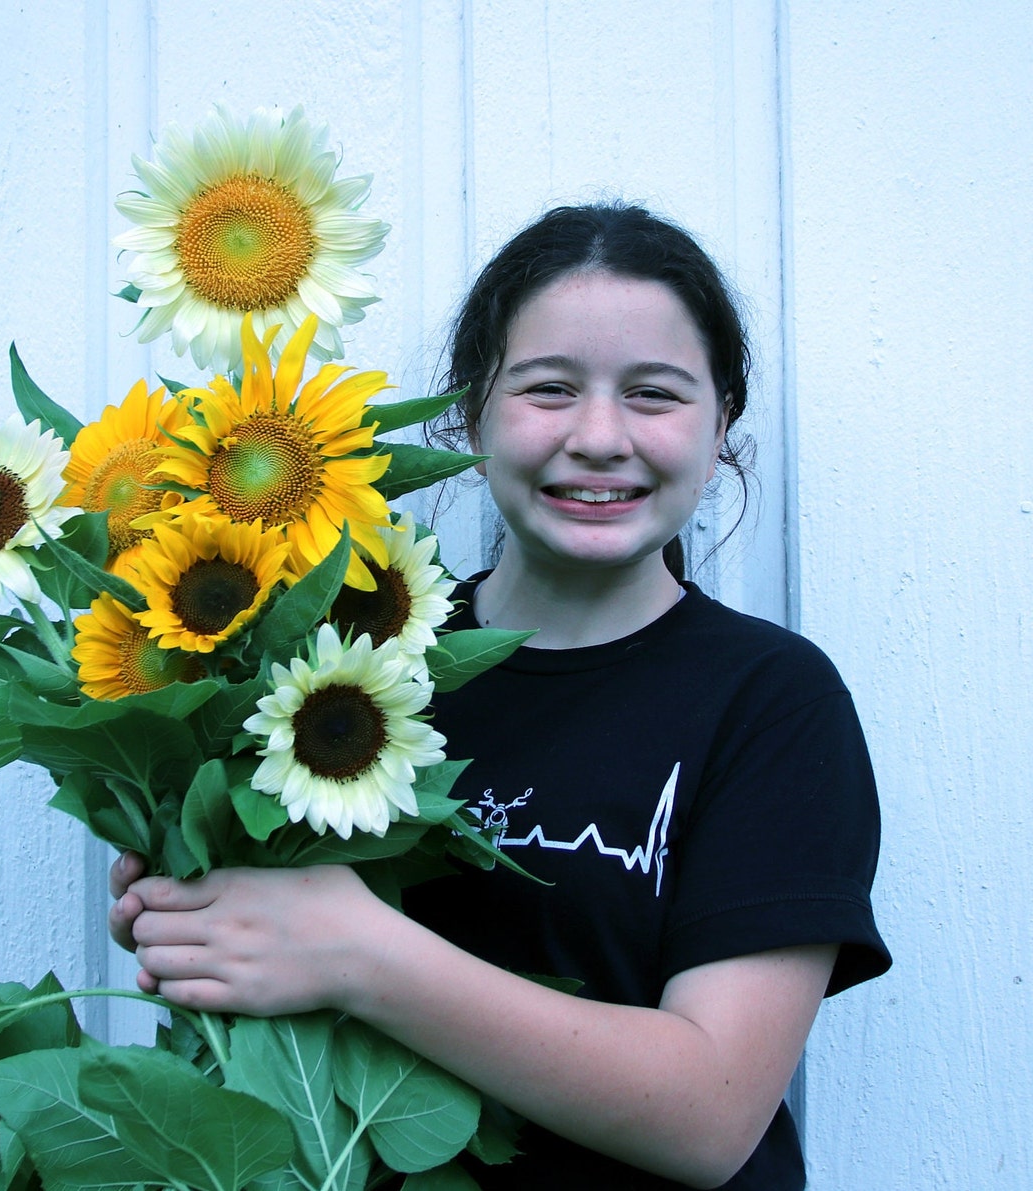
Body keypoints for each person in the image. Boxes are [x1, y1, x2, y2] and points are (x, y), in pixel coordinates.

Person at [108, 203, 890, 1189]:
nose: (598, 437)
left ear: (720, 424)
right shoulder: (341, 667)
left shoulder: (769, 701)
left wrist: (357, 955)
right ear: (473, 413)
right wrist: (192, 908)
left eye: (653, 394)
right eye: (548, 388)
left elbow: (711, 1113)